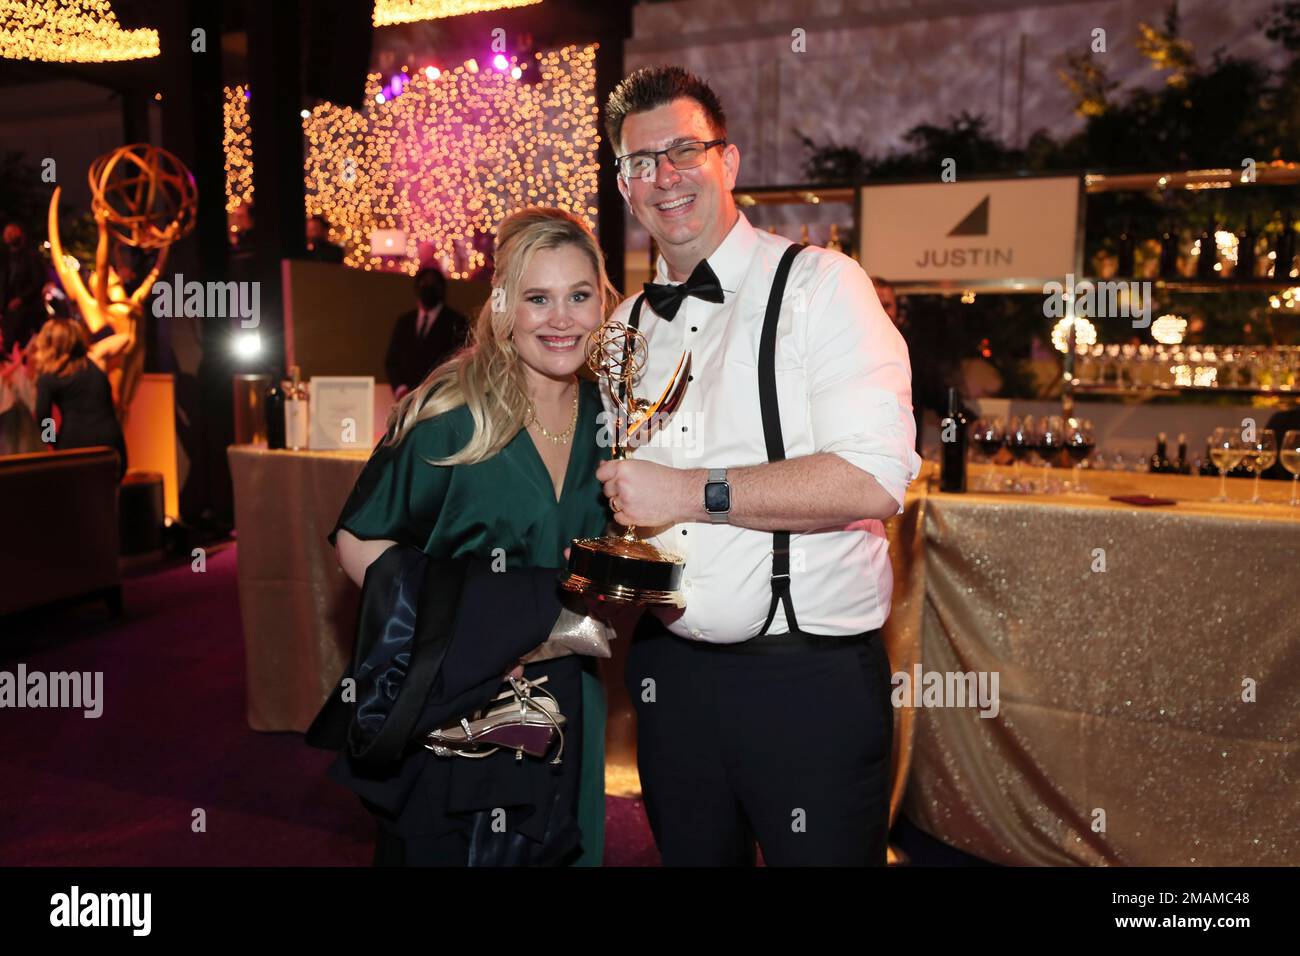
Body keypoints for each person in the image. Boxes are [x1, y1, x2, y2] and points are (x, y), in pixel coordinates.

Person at [599, 66, 921, 866]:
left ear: (729, 161)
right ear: (623, 184)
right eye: (643, 162)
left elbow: (873, 479)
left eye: (684, 151)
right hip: (667, 676)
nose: (665, 177)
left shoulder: (822, 286)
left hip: (804, 684)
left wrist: (690, 491)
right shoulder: (624, 325)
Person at [330, 207, 618, 866]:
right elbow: (359, 539)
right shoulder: (451, 411)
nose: (562, 318)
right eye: (537, 298)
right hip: (465, 697)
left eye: (579, 296)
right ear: (502, 305)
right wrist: (463, 640)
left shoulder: (611, 414)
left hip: (570, 686)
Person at [29, 317, 127, 481]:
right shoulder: (96, 361)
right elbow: (125, 338)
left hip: (74, 443)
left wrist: (52, 441)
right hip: (111, 441)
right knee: (109, 494)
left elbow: (43, 416)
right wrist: (91, 348)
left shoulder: (48, 376)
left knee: (77, 498)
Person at [384, 265, 470, 400]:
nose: (428, 287)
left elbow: (460, 361)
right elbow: (391, 361)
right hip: (406, 400)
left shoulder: (457, 321)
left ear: (442, 289)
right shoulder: (404, 321)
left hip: (439, 398)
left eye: (433, 284)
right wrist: (401, 390)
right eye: (424, 283)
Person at [2, 222, 48, 352]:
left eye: (11, 233)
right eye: (6, 234)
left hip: (27, 311)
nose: (8, 236)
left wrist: (21, 299)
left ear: (20, 234)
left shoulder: (31, 256)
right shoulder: (6, 258)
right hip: (9, 311)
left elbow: (38, 281)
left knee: (22, 346)